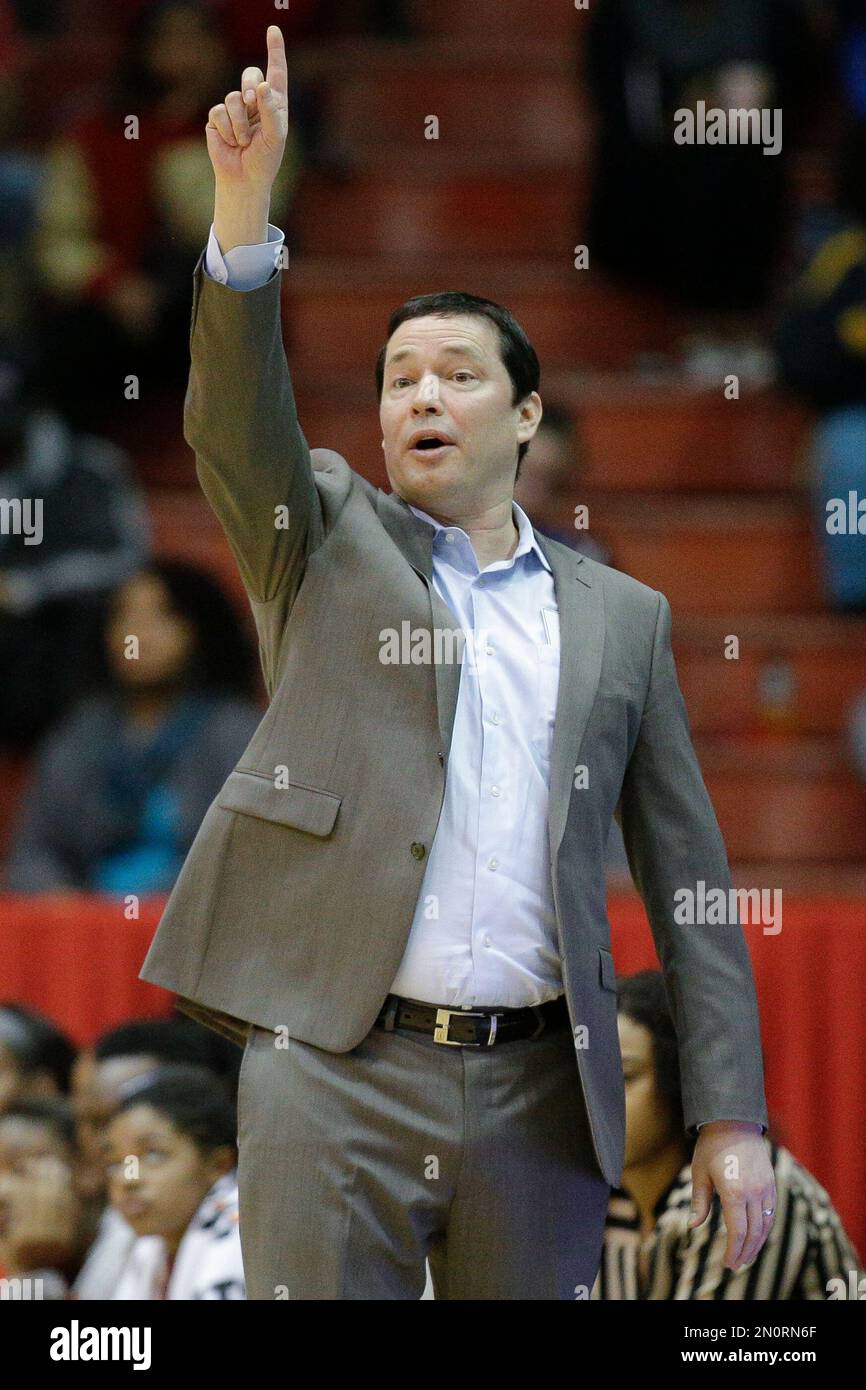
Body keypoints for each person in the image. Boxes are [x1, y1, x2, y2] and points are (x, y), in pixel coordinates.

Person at [141, 26, 774, 1300]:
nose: (419, 396)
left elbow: (690, 885)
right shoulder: (317, 530)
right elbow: (230, 417)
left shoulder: (623, 619)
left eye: (456, 375)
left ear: (527, 415)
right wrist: (246, 208)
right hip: (334, 1067)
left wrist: (727, 1115)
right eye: (395, 379)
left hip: (544, 1093)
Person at [592, 972, 864, 1298]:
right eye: (587, 1080)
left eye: (624, 1076)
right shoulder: (601, 1196)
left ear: (681, 1083)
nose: (596, 1100)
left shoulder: (743, 1185)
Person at [4, 559, 262, 894]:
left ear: (200, 629)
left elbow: (251, 859)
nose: (138, 633)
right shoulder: (80, 733)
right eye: (125, 614)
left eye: (162, 615)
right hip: (90, 933)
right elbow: (33, 851)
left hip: (191, 930)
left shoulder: (239, 735)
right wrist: (59, 898)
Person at [105, 1067, 244, 1300]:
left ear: (219, 1164)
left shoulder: (239, 1230)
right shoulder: (150, 1247)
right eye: (115, 1162)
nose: (127, 1179)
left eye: (153, 1155)